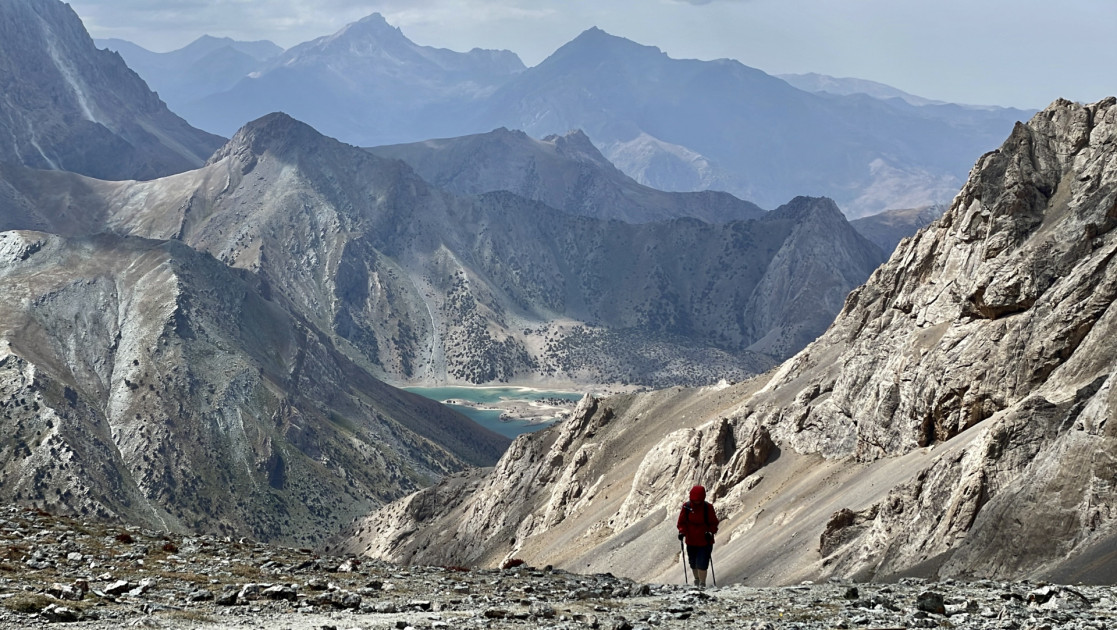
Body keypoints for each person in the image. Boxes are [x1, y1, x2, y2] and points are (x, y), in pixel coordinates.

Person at [677, 484, 718, 587]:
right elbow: (681, 522)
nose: (696, 502)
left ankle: (702, 584)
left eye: (698, 500)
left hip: (705, 540)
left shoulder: (708, 508)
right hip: (691, 540)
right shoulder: (686, 507)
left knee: (702, 562)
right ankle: (697, 580)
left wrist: (710, 531)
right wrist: (682, 532)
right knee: (693, 562)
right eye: (695, 500)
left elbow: (714, 523)